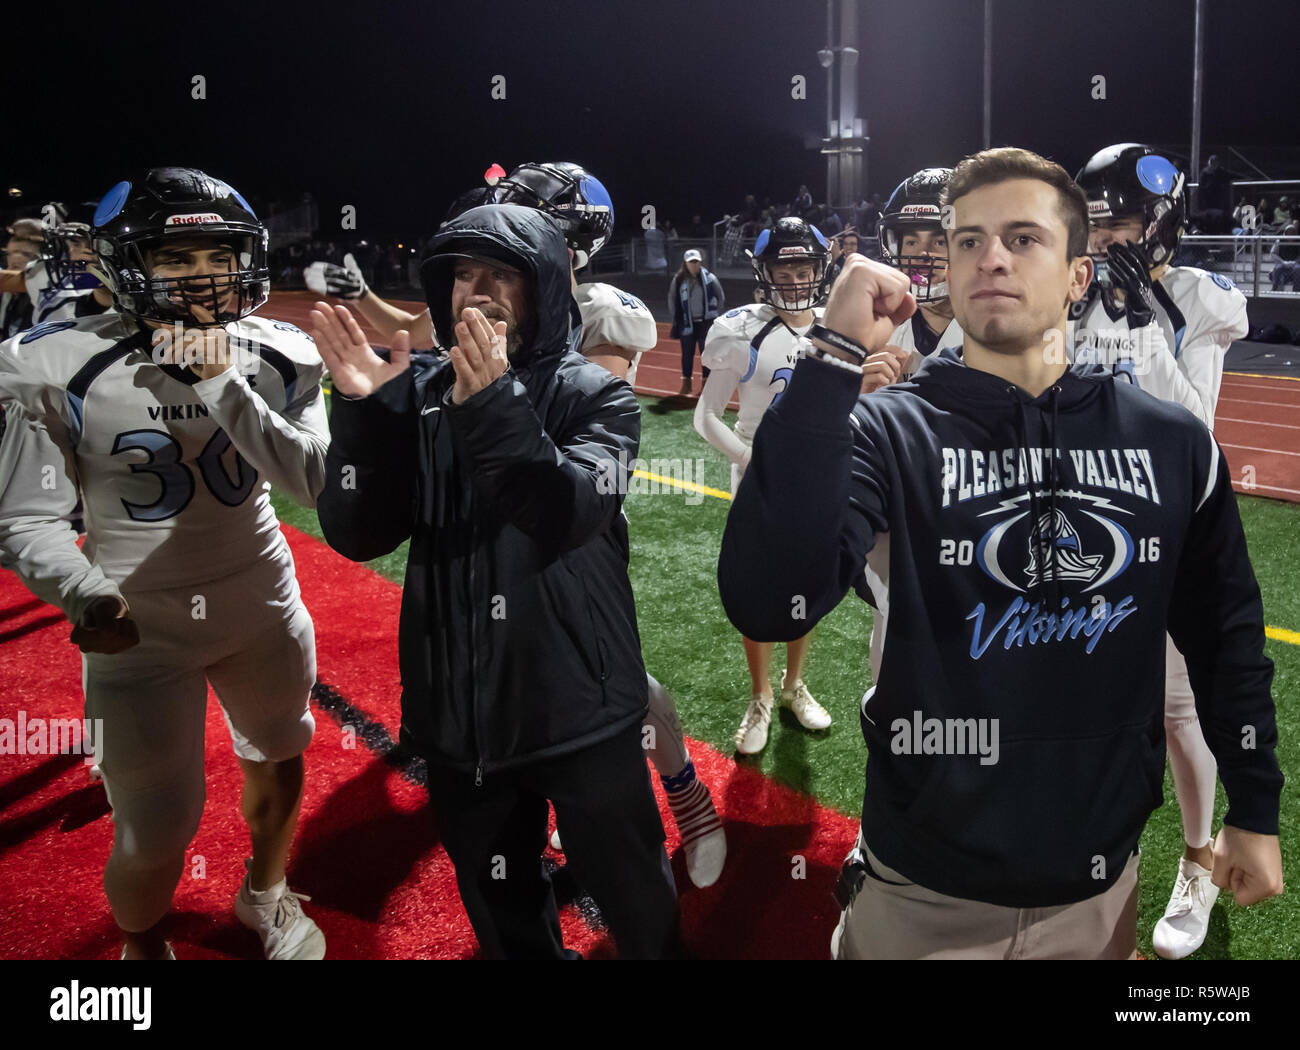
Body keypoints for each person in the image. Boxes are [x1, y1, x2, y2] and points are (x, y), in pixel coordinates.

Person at [717, 146, 1283, 960]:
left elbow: (1226, 634)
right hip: (920, 882)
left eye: (1023, 238)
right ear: (944, 266)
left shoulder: (1171, 440)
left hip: (1095, 883)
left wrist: (1255, 806)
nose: (991, 257)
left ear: (1078, 276)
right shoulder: (886, 427)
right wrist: (832, 359)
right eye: (968, 239)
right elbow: (771, 600)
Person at [308, 162, 726, 888]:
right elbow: (422, 330)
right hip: (487, 512)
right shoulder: (485, 287)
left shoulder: (599, 316)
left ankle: (683, 786)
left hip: (566, 512)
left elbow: (568, 447)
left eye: (536, 228)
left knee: (619, 680)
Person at [0, 167, 329, 961]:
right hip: (135, 622)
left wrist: (221, 381)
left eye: (220, 254)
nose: (206, 276)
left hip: (260, 598)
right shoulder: (48, 361)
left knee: (282, 759)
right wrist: (85, 595)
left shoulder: (278, 351)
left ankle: (266, 894)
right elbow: (26, 516)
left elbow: (313, 481)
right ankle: (143, 946)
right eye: (176, 258)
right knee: (156, 828)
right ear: (119, 264)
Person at [1072, 142, 1250, 960]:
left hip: (1170, 523)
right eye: (1099, 222)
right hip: (1078, 523)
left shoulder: (1192, 298)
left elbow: (1197, 438)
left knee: (1181, 711)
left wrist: (1142, 323)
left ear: (1160, 221)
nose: (1108, 237)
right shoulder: (1075, 290)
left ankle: (1198, 857)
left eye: (1123, 221)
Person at [694, 217, 834, 755]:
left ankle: (794, 685)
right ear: (765, 271)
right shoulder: (742, 329)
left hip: (819, 475)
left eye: (804, 268)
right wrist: (750, 459)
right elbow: (705, 417)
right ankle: (759, 696)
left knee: (809, 584)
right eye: (785, 268)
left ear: (820, 270)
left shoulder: (835, 324)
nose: (796, 279)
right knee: (757, 588)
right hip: (757, 473)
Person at [875, 168, 964, 379]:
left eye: (940, 241)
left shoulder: (995, 332)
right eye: (912, 242)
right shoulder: (880, 331)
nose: (923, 254)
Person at [668, 248, 724, 397]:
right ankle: (687, 384)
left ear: (700, 262)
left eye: (696, 262)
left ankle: (706, 384)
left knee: (706, 355)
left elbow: (720, 298)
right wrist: (677, 318)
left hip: (705, 323)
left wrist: (713, 316)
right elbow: (672, 299)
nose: (694, 265)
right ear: (685, 264)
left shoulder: (710, 278)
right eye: (691, 262)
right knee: (687, 354)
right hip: (687, 324)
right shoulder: (679, 280)